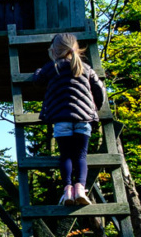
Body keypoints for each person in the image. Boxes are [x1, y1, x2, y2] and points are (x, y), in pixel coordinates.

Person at [32, 33, 107, 206]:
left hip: (61, 119)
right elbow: (99, 90)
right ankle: (80, 188)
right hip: (83, 119)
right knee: (81, 155)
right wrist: (95, 107)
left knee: (65, 155)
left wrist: (38, 71)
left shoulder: (53, 67)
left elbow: (38, 80)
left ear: (54, 50)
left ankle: (67, 190)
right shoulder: (86, 68)